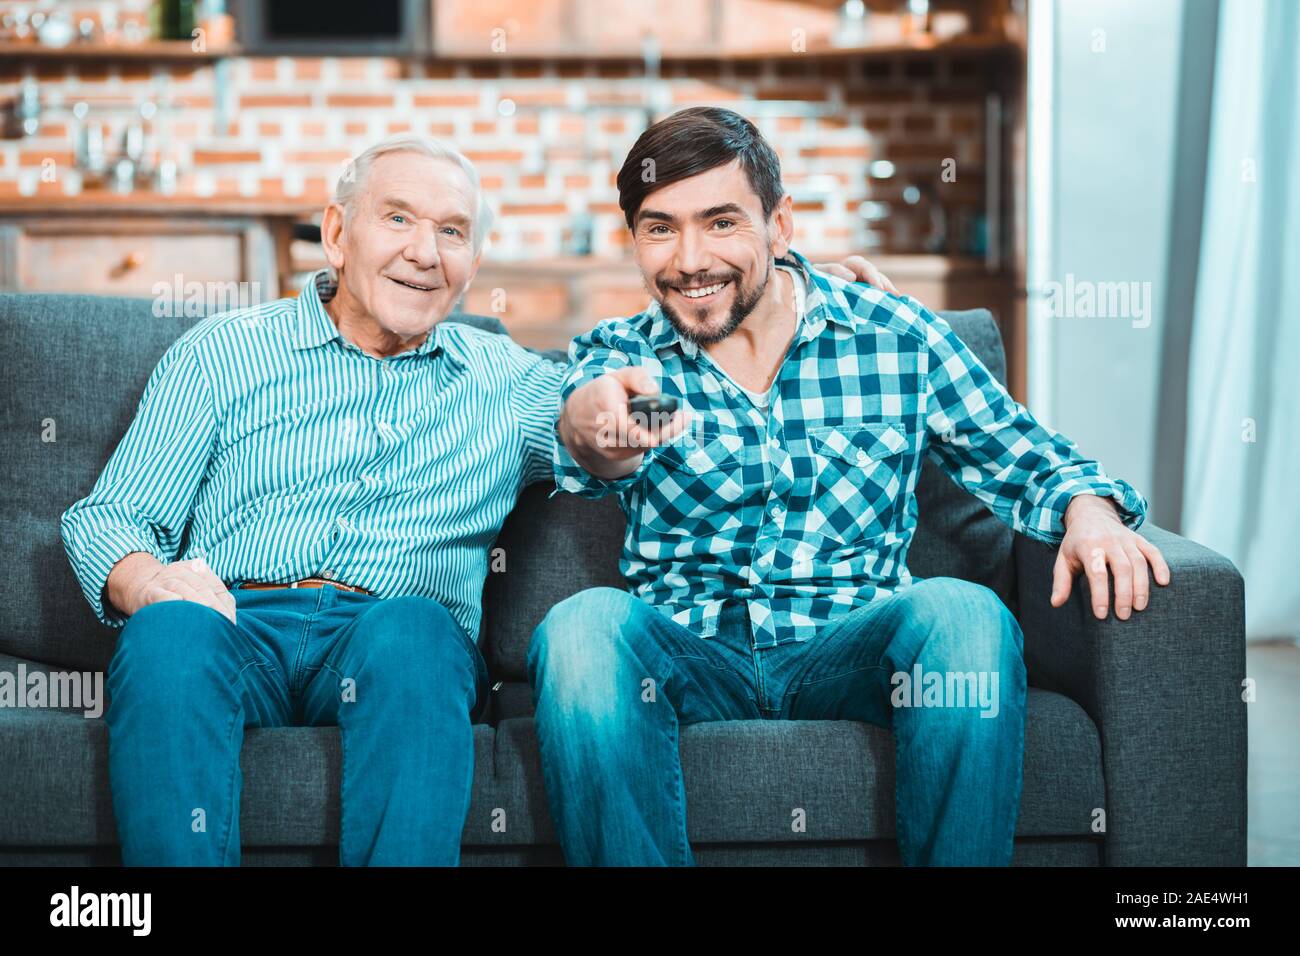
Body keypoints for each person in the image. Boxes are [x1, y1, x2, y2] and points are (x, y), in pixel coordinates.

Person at [60, 131, 891, 866]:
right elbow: (112, 516)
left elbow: (630, 400)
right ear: (337, 234)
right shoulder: (224, 351)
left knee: (415, 630)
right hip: (237, 619)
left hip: (398, 637)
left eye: (452, 233)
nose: (426, 252)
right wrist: (147, 581)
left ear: (472, 265)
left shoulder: (505, 379)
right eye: (398, 220)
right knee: (168, 634)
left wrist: (794, 291)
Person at [529, 107, 1172, 866]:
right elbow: (591, 428)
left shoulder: (894, 337)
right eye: (659, 228)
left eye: (722, 222)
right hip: (689, 652)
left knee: (965, 613)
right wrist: (596, 424)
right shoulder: (628, 355)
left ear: (779, 224)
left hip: (851, 644)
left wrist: (1088, 511)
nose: (690, 258)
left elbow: (1027, 454)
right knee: (579, 629)